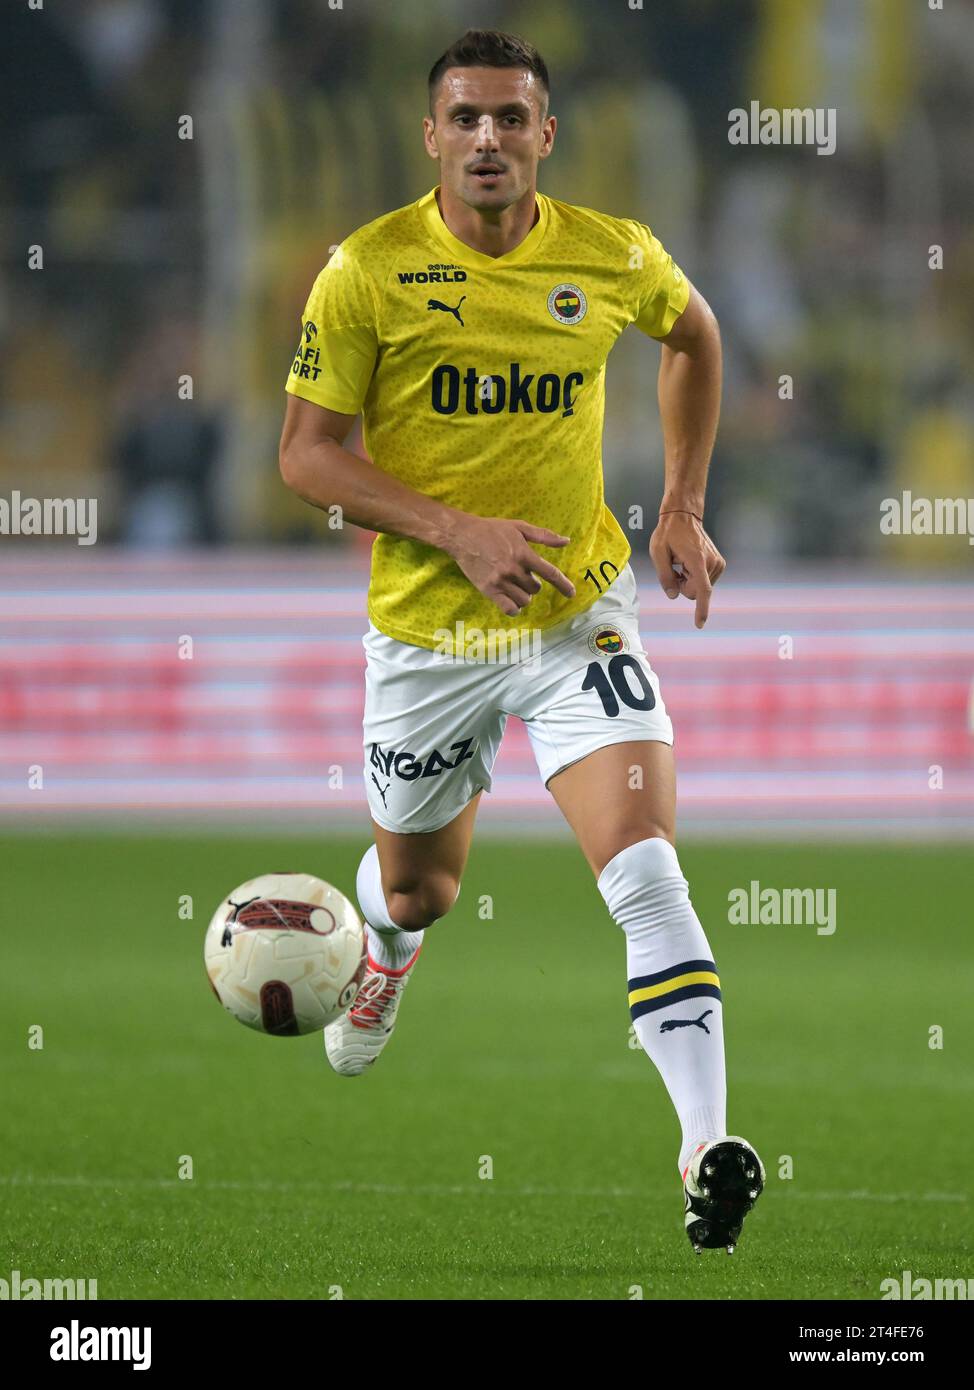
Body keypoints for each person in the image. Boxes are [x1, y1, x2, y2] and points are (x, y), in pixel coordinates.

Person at [279, 29, 763, 1253]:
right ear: (430, 135)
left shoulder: (609, 256)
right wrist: (456, 529)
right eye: (465, 119)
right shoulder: (366, 270)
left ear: (546, 135)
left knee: (644, 866)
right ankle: (382, 950)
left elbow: (695, 336)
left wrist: (687, 505)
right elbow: (304, 453)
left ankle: (705, 1143)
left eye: (510, 119)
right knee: (413, 888)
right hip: (429, 636)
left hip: (575, 610)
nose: (487, 139)